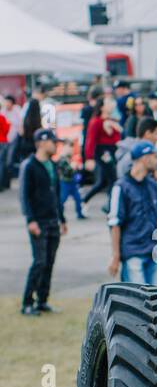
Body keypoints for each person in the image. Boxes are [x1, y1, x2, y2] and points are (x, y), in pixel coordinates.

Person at [18, 129, 67, 316]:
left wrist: (62, 218)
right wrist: (30, 220)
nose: (56, 145)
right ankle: (27, 302)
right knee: (39, 261)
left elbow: (57, 194)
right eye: (53, 142)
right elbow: (24, 196)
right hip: (38, 221)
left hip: (53, 220)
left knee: (49, 262)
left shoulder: (52, 165)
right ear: (41, 143)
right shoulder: (29, 166)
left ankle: (42, 300)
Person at [107, 141, 157, 285]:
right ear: (145, 158)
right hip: (133, 253)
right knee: (138, 301)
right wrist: (116, 257)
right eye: (154, 156)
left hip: (153, 252)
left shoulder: (152, 185)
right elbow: (115, 224)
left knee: (154, 300)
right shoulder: (121, 187)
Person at [82, 97, 122, 206]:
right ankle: (111, 205)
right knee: (112, 178)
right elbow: (90, 140)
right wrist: (88, 158)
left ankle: (85, 200)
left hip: (113, 151)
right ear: (102, 107)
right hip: (104, 152)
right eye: (108, 103)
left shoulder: (111, 120)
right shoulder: (96, 121)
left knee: (104, 181)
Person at [54, 140, 85, 220]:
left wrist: (78, 176)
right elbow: (65, 171)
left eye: (72, 147)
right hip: (65, 182)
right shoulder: (62, 159)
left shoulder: (70, 158)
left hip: (72, 182)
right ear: (64, 147)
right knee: (62, 199)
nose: (71, 149)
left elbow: (76, 173)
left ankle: (80, 214)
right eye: (69, 147)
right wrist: (72, 167)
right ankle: (58, 214)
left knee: (78, 198)